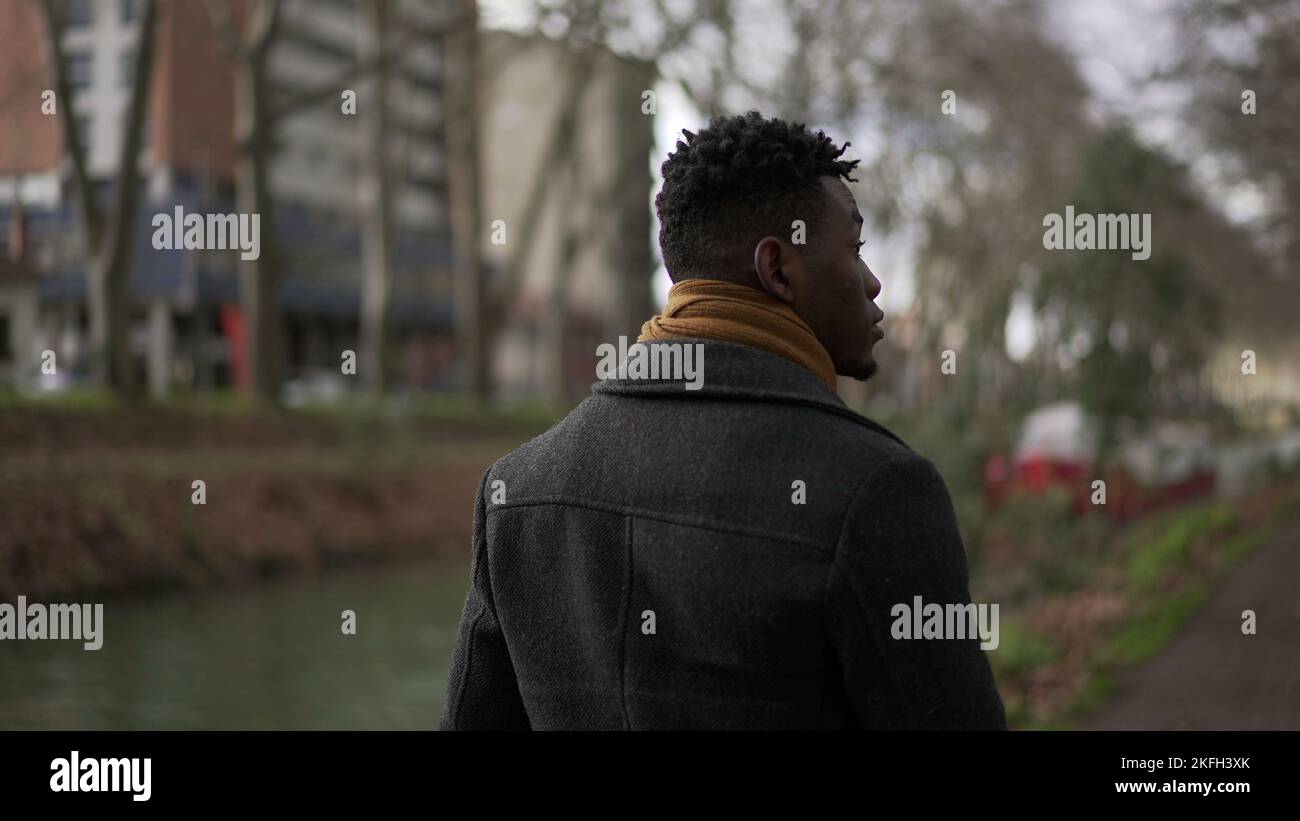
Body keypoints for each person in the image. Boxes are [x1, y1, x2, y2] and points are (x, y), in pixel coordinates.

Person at [440, 111, 1007, 730]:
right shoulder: (878, 489)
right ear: (778, 269)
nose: (872, 284)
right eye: (855, 249)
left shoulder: (515, 489)